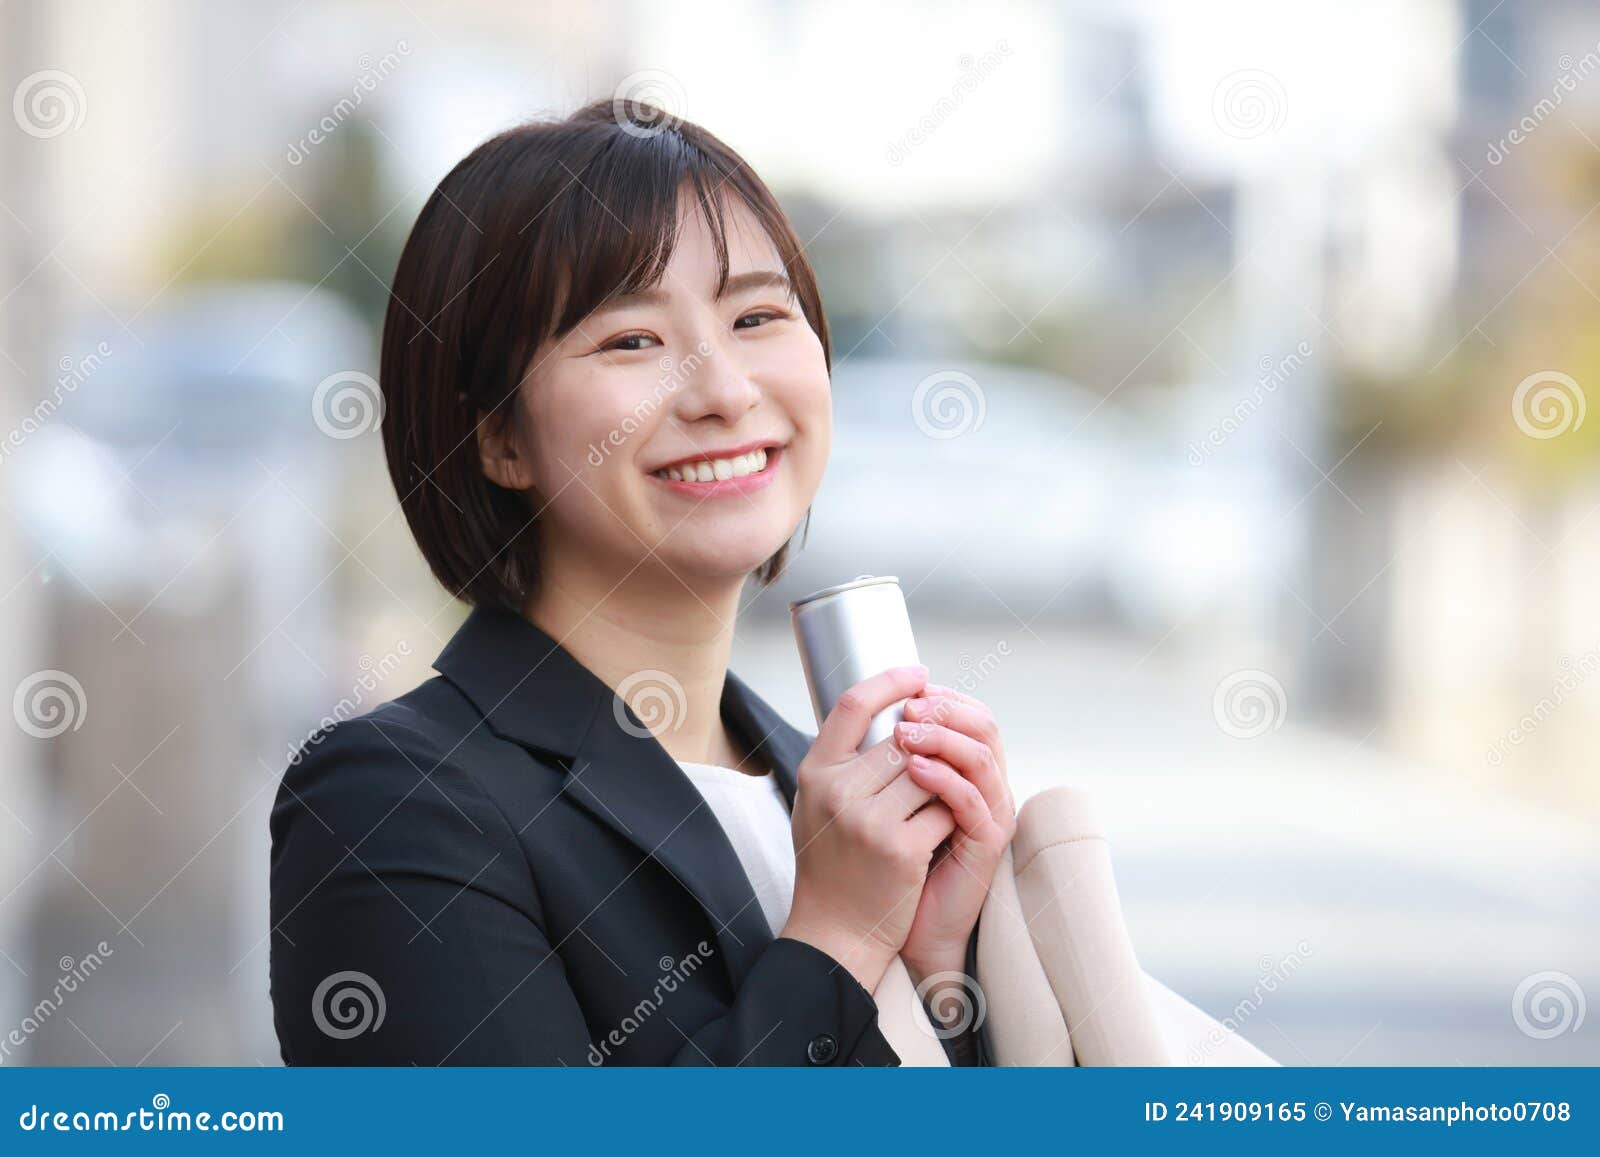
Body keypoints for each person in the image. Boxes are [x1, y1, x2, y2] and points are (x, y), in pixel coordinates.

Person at [268, 98, 1016, 1066]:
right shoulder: (392, 801)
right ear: (497, 436)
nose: (724, 390)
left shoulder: (829, 790)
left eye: (755, 316)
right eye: (631, 341)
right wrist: (837, 938)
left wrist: (939, 965)